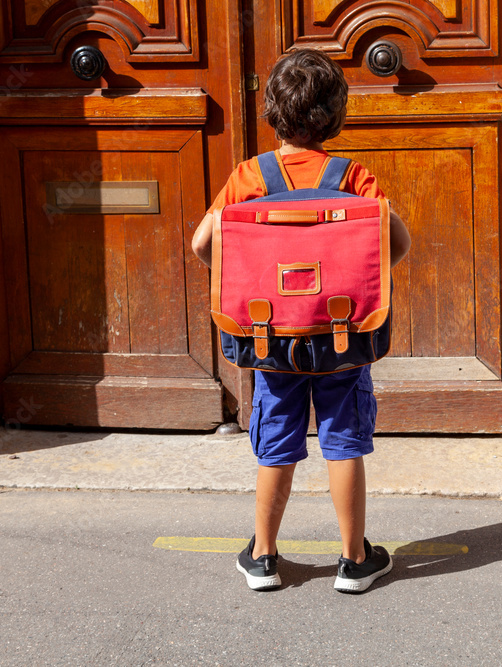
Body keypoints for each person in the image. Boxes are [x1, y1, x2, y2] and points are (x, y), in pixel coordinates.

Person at [191, 49, 411, 593]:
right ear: (334, 115)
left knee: (276, 442)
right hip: (341, 335)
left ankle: (263, 556)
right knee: (344, 441)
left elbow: (202, 243)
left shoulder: (249, 177)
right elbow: (397, 242)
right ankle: (355, 560)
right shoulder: (354, 177)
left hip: (272, 338)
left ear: (272, 111)